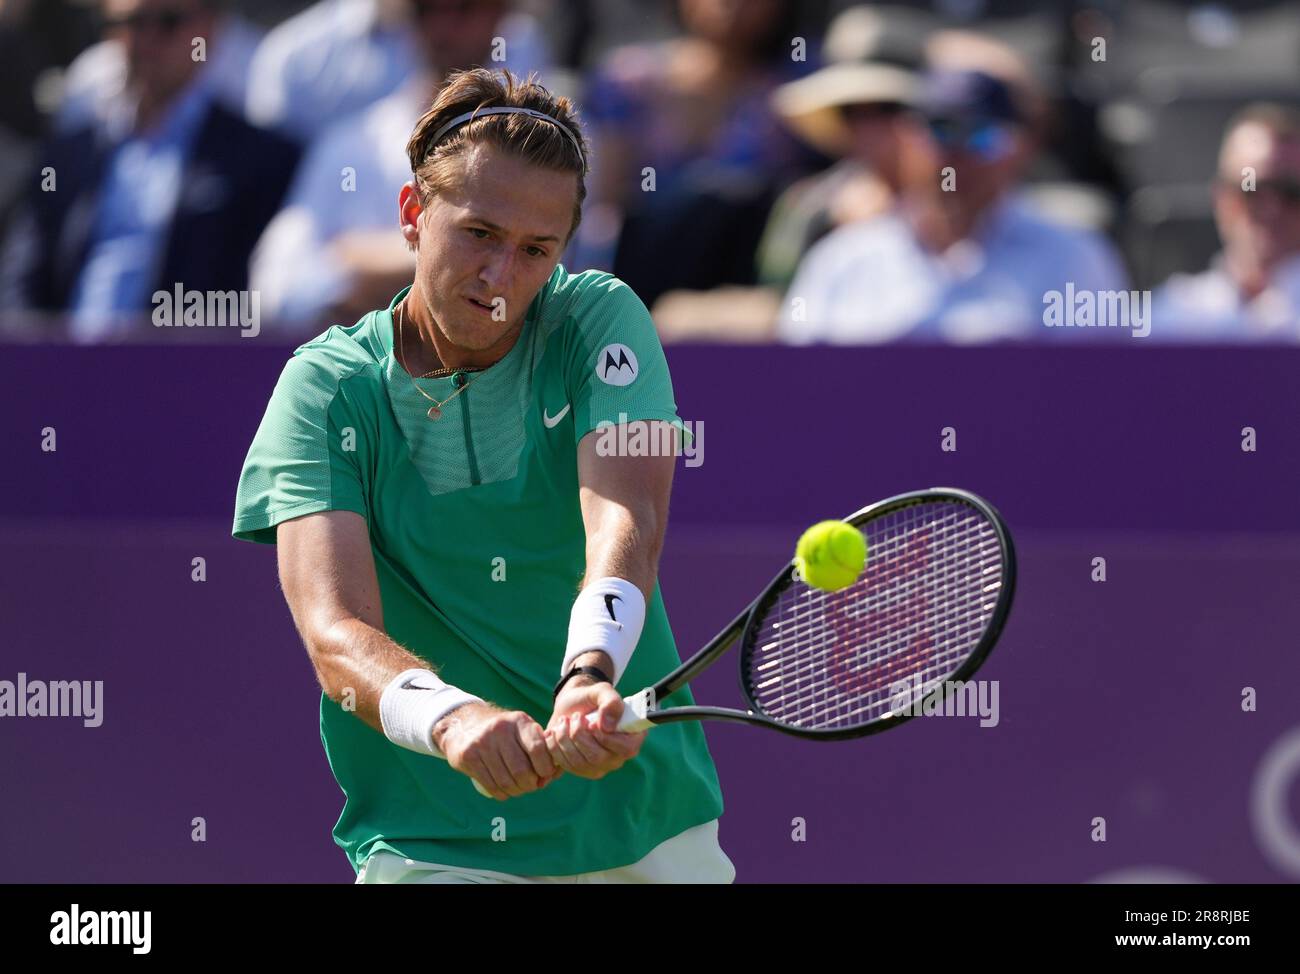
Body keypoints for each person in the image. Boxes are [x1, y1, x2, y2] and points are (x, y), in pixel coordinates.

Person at [231, 68, 733, 884]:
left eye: (536, 250)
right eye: (478, 234)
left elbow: (624, 525)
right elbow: (335, 634)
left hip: (645, 823)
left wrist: (589, 672)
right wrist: (450, 719)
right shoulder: (325, 387)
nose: (501, 277)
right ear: (411, 216)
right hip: (437, 845)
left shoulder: (598, 319)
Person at [0, 0, 299, 341]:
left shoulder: (261, 159)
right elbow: (20, 285)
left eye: (168, 22)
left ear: (210, 28)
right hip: (60, 373)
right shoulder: (69, 155)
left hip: (185, 375)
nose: (147, 39)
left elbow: (256, 296)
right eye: (129, 23)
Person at [777, 61, 1129, 344]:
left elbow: (1100, 399)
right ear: (907, 139)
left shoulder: (1074, 260)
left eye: (981, 136)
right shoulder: (842, 261)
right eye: (940, 129)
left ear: (1019, 150)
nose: (957, 155)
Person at [249, 0, 549, 329]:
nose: (443, 27)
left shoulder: (543, 145)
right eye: (425, 9)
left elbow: (544, 274)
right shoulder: (349, 143)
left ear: (500, 14)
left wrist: (362, 257)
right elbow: (276, 287)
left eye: (465, 8)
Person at [1151, 104, 1300, 341]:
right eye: (1251, 189)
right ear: (1221, 196)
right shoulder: (1167, 318)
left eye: (1291, 191)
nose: (1271, 208)